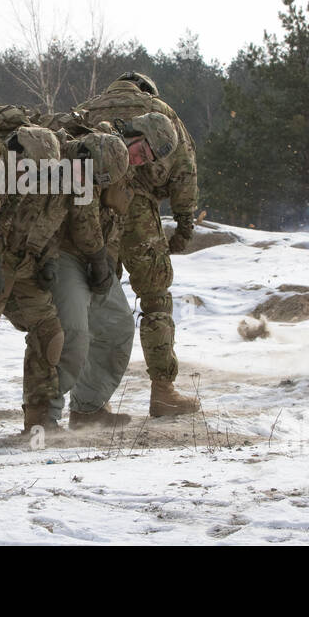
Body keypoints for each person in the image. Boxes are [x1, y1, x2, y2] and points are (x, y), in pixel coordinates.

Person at [75, 72, 201, 417]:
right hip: (139, 212)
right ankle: (163, 392)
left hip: (97, 213)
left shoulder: (87, 110)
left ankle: (91, 401)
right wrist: (184, 223)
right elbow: (184, 168)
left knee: (97, 304)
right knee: (156, 299)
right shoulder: (158, 111)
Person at [45, 112, 180, 427]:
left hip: (95, 258)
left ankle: (88, 409)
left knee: (118, 327)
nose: (138, 159)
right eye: (140, 150)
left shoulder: (128, 170)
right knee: (72, 332)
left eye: (145, 158)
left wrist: (106, 263)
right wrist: (97, 260)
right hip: (65, 252)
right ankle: (43, 417)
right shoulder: (99, 146)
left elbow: (114, 220)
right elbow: (82, 207)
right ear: (134, 131)